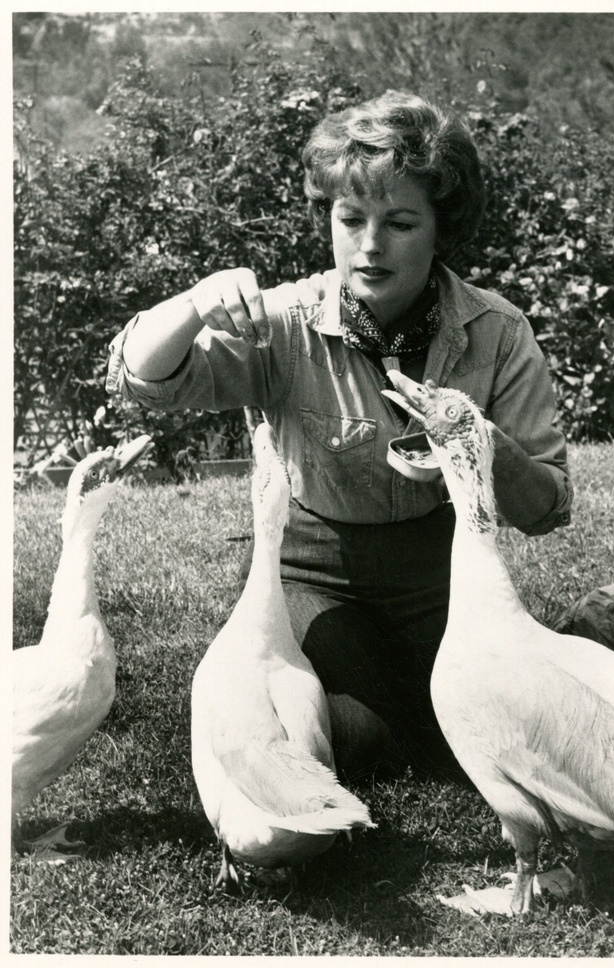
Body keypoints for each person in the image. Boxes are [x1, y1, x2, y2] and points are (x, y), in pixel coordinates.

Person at [106, 90, 572, 779]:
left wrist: (474, 440)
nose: (371, 245)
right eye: (350, 218)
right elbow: (142, 380)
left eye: (402, 223)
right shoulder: (284, 323)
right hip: (312, 567)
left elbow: (548, 507)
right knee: (364, 738)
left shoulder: (497, 333)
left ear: (443, 228)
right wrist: (196, 301)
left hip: (434, 566)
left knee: (491, 726)